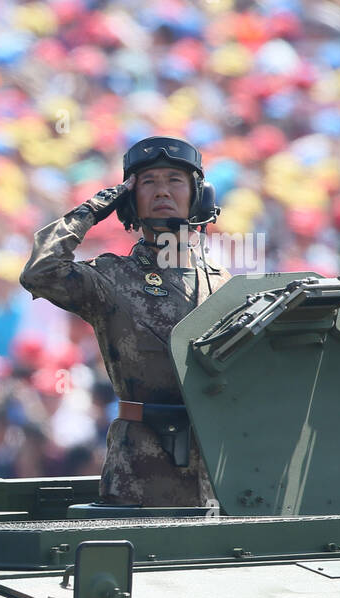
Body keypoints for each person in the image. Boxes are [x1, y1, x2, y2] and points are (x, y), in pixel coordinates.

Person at [20, 137, 230, 507]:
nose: (162, 190)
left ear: (199, 196)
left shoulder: (225, 284)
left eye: (174, 180)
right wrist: (95, 208)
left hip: (218, 466)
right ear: (130, 200)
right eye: (148, 182)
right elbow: (42, 271)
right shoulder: (112, 278)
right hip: (140, 470)